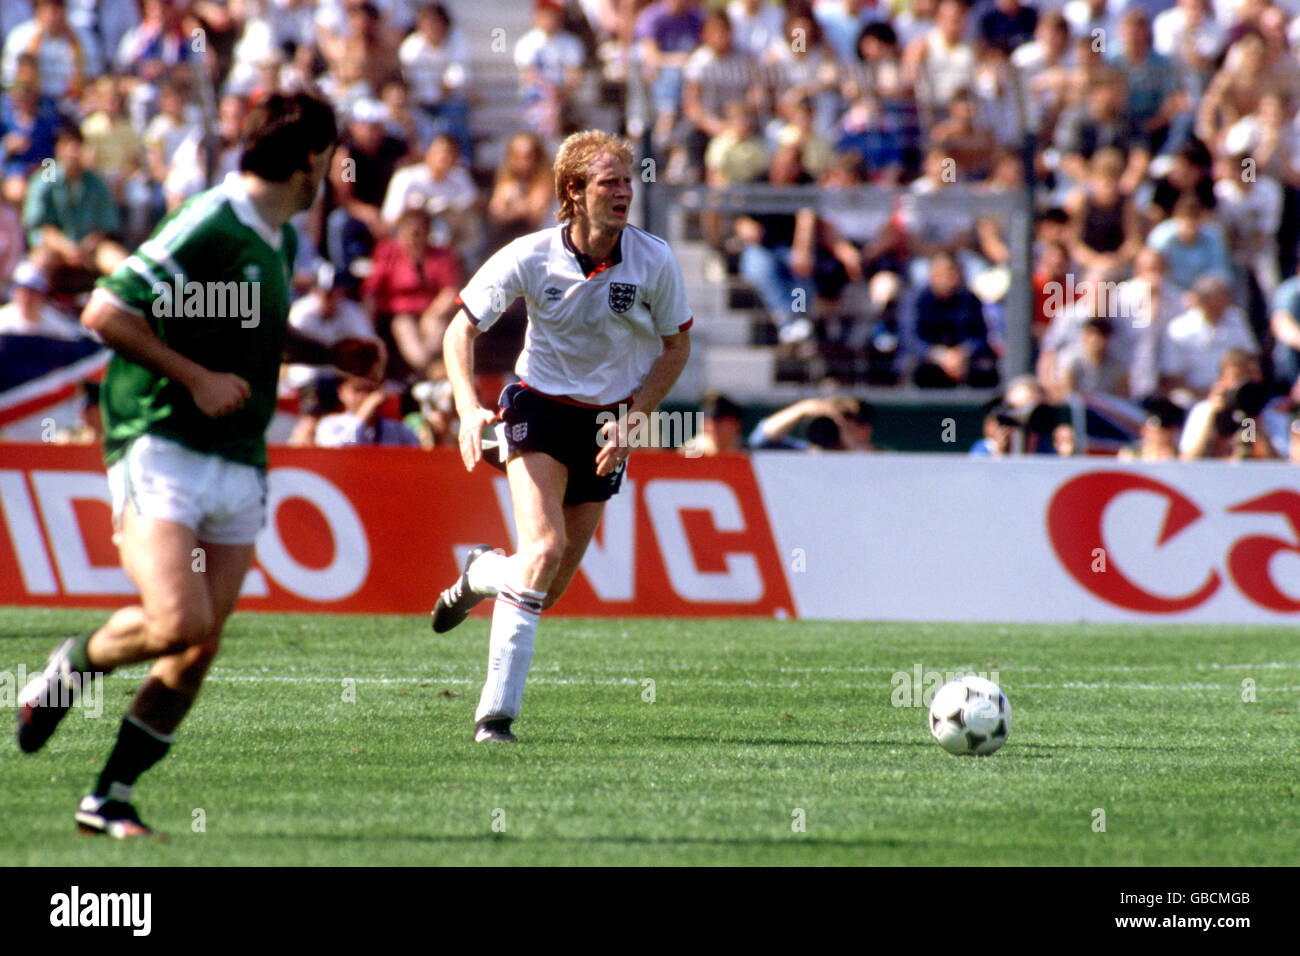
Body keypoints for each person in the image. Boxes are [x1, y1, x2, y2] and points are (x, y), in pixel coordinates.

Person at [14, 92, 383, 839]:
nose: (333, 174)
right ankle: (74, 663)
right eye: (331, 157)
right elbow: (105, 313)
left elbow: (249, 331)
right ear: (309, 158)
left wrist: (324, 355)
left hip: (239, 455)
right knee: (178, 619)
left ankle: (109, 795)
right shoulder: (212, 220)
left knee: (198, 642)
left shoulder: (276, 239)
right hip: (160, 439)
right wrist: (195, 377)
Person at [431, 130, 692, 743]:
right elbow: (458, 331)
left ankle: (481, 574)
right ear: (573, 192)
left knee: (544, 588)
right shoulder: (530, 254)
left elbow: (677, 345)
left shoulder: (653, 259)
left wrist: (635, 418)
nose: (624, 191)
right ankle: (495, 718)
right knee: (543, 549)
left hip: (606, 425)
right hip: (537, 408)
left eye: (628, 180)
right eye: (610, 182)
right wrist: (469, 409)